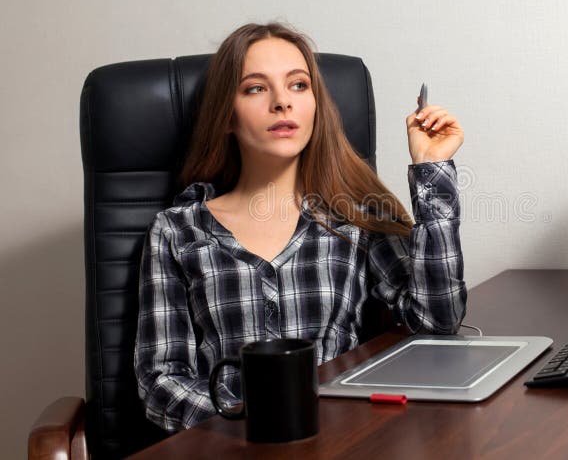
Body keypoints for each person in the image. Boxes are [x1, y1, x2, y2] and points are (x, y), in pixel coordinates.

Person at [134, 22, 466, 431]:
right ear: (226, 117)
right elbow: (161, 382)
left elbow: (437, 321)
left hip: (337, 443)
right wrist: (250, 418)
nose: (281, 103)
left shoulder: (353, 217)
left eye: (297, 85)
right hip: (230, 449)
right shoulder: (177, 230)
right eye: (255, 88)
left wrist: (430, 168)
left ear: (315, 106)